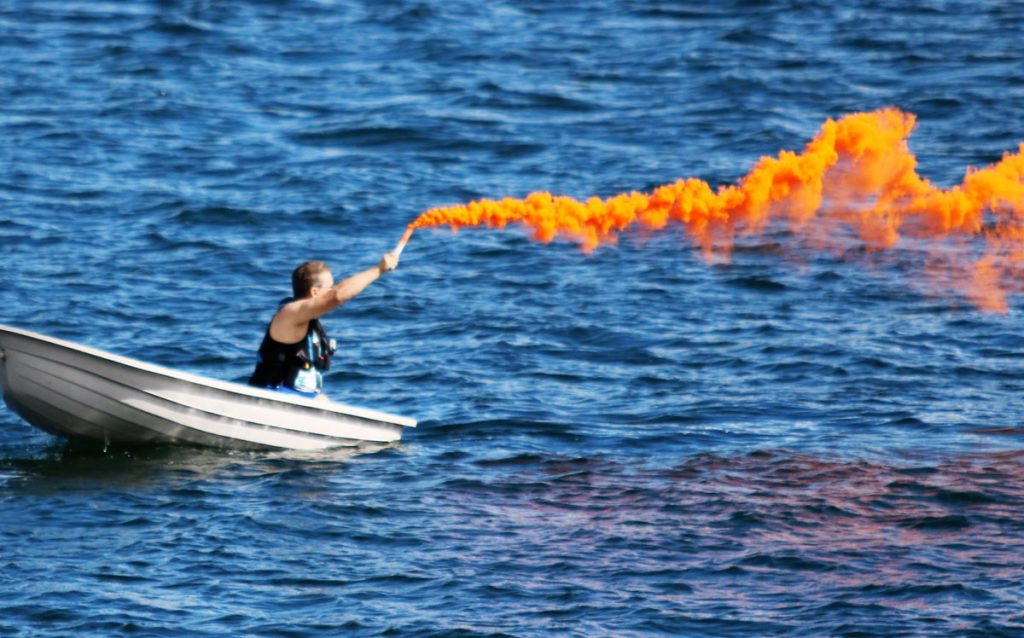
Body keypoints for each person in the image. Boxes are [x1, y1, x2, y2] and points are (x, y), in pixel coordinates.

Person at [248, 251, 399, 399]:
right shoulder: (290, 314)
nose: (332, 291)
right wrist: (379, 269)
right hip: (271, 397)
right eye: (329, 288)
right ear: (314, 292)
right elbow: (338, 296)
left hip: (301, 401)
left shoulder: (311, 324)